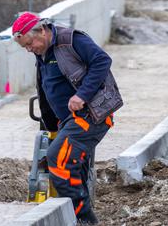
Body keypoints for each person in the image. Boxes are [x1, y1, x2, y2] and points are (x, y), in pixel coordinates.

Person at [12, 12, 124, 223]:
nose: (29, 49)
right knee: (74, 168)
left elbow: (102, 60)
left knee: (59, 161)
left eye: (30, 43)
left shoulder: (71, 40)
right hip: (68, 120)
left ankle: (84, 219)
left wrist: (82, 95)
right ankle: (79, 215)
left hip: (91, 114)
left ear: (42, 31)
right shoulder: (42, 51)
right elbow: (48, 89)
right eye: (25, 47)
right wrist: (50, 124)